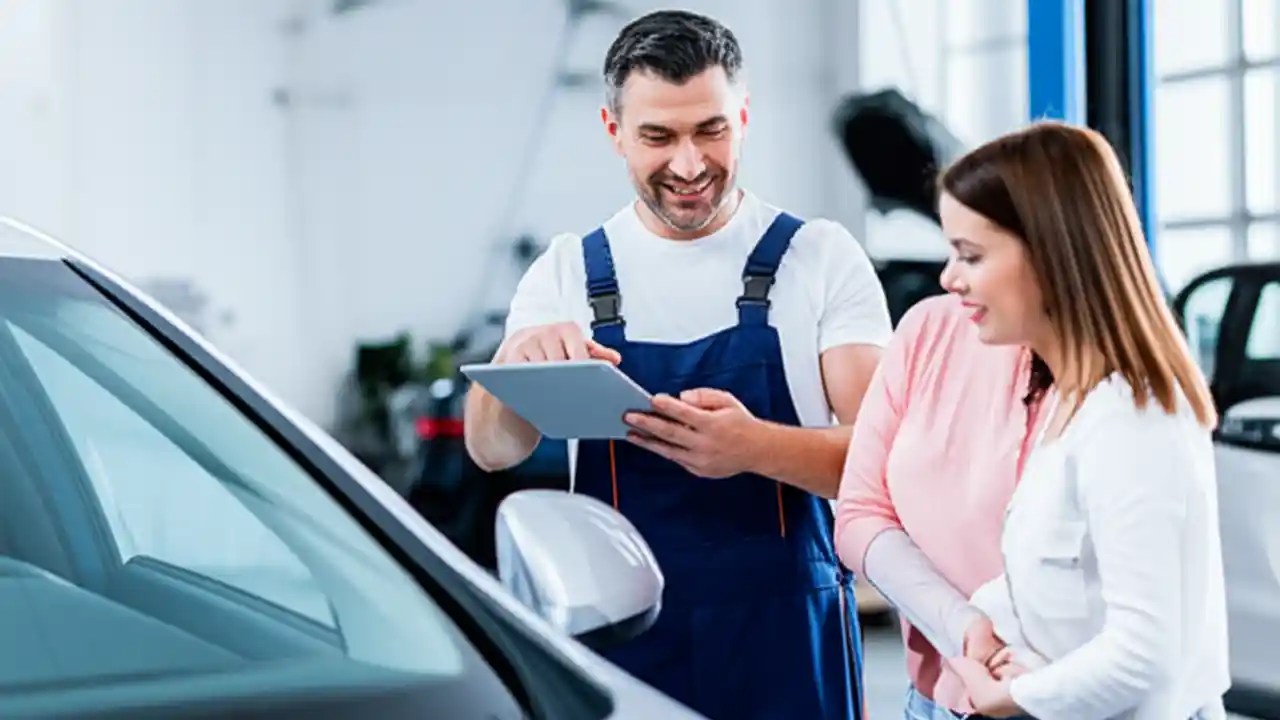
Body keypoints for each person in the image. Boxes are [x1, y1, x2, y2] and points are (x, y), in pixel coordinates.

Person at [463, 9, 891, 720]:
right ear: (614, 132)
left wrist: (755, 447)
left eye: (711, 130)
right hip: (627, 639)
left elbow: (887, 460)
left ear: (743, 118)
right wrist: (514, 366)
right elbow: (491, 450)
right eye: (658, 137)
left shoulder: (817, 257)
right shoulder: (569, 271)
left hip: (785, 638)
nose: (689, 165)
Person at [929, 122, 1229, 719]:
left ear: (1050, 251)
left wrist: (1015, 694)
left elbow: (1146, 657)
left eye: (971, 255)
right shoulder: (1073, 399)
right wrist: (985, 624)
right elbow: (1068, 589)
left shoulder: (1131, 419)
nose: (949, 278)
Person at [833, 290, 1049, 720]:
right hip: (938, 696)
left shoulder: (1117, 385)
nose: (950, 276)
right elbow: (860, 511)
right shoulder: (931, 329)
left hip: (1065, 701)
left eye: (972, 252)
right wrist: (962, 627)